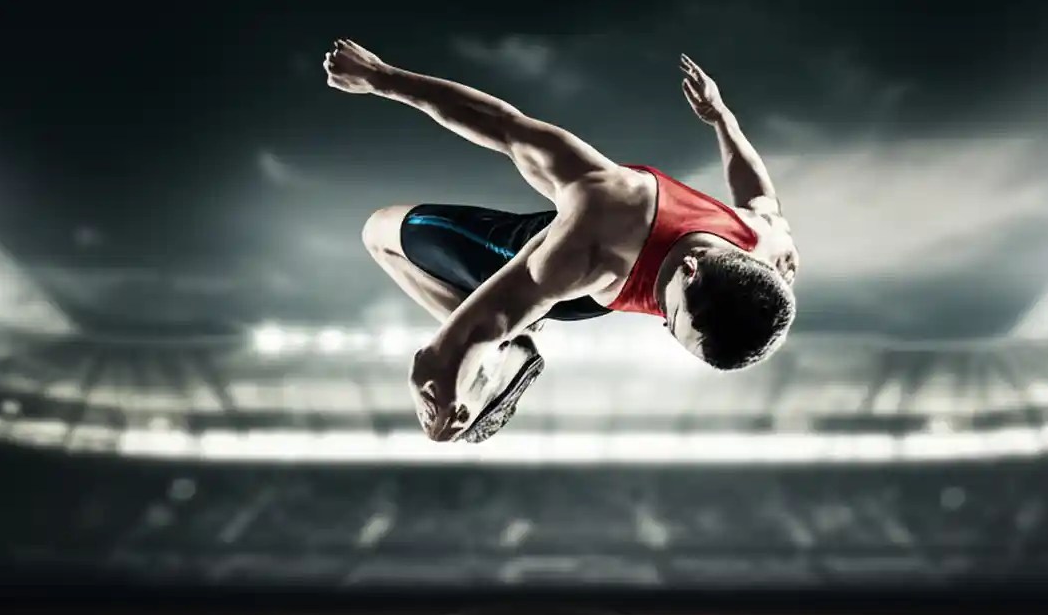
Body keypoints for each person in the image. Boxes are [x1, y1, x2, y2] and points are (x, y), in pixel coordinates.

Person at [325, 39, 799, 443]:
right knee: (386, 235)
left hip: (565, 276)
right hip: (579, 278)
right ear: (694, 266)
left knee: (386, 238)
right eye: (672, 319)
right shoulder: (610, 208)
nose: (662, 325)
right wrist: (383, 78)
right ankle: (520, 338)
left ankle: (517, 342)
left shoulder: (763, 248)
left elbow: (758, 191)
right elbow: (502, 126)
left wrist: (723, 120)